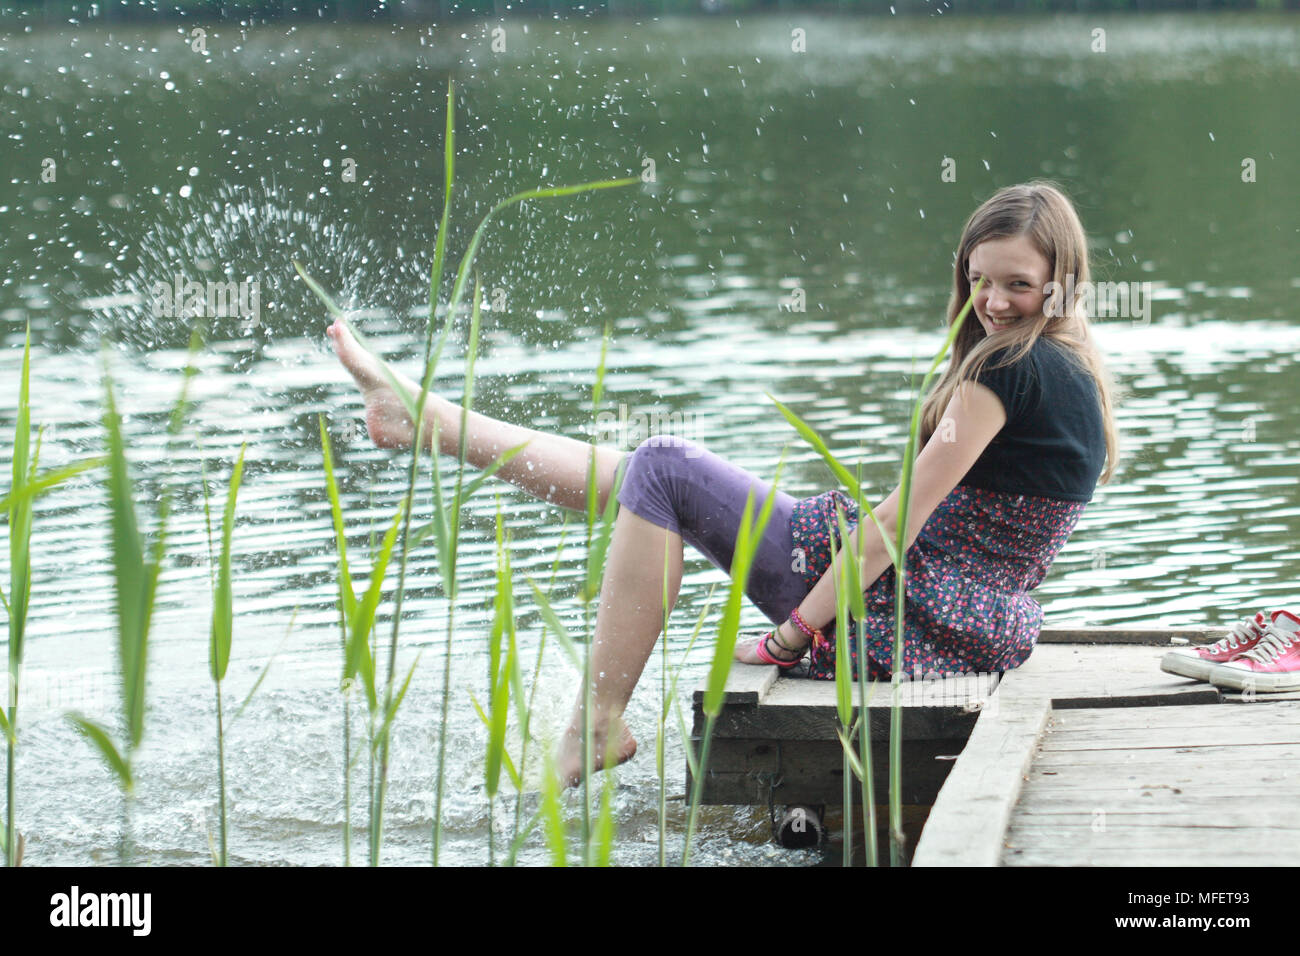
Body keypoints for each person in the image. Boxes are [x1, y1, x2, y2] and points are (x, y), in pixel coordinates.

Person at [327, 180, 1119, 787]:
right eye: (979, 279)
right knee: (652, 479)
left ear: (1060, 280)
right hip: (964, 613)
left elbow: (892, 528)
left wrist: (792, 636)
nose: (991, 302)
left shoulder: (1007, 372)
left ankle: (598, 722)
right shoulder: (1070, 370)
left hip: (912, 607)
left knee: (664, 467)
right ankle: (426, 422)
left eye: (1017, 284)